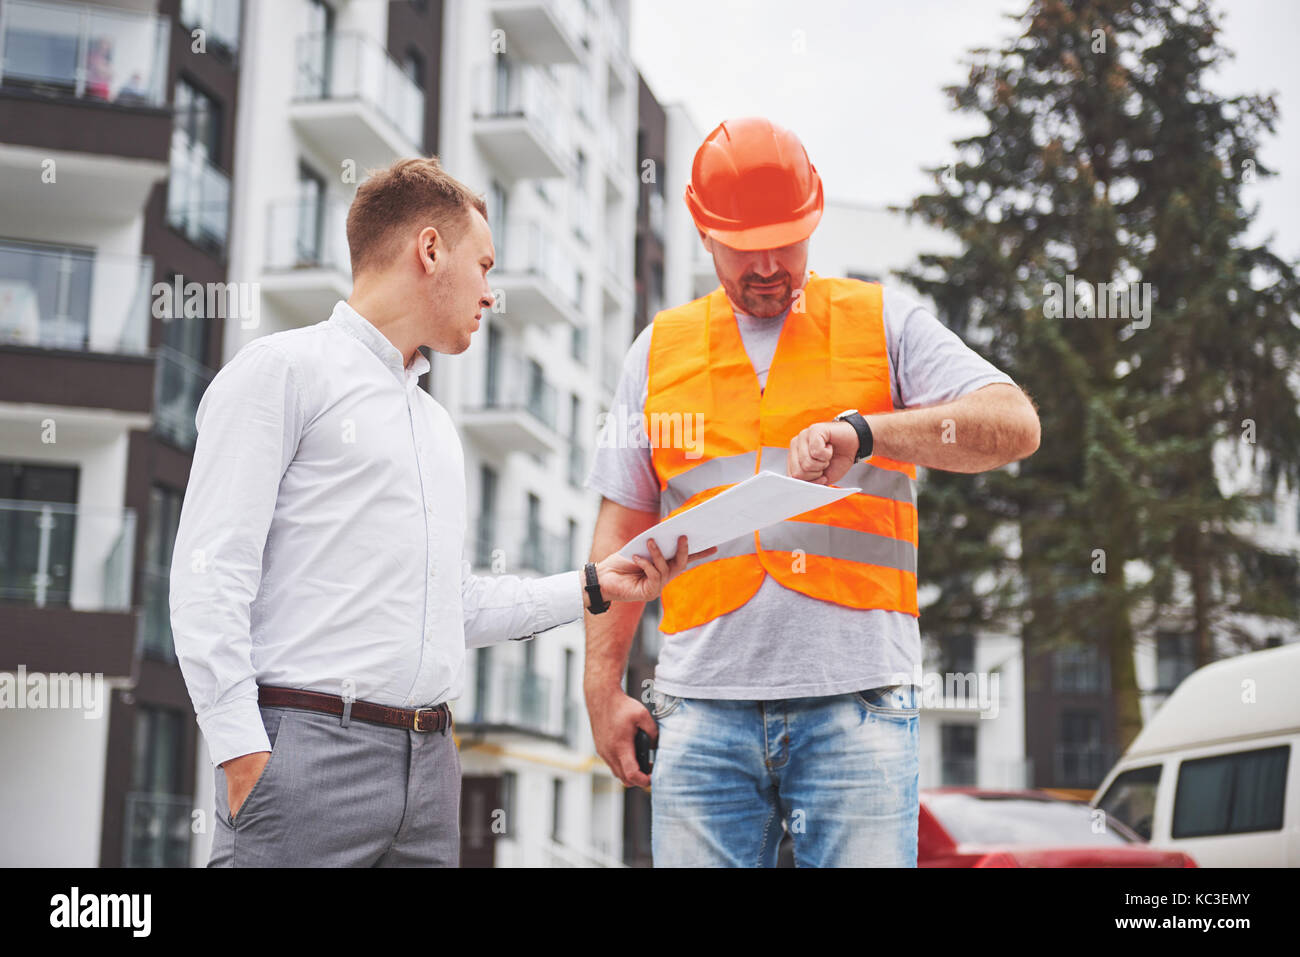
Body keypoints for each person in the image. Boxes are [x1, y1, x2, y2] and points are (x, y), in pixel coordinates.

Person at [169, 157, 709, 867]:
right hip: (301, 757)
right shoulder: (280, 372)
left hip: (430, 772)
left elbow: (452, 605)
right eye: (484, 265)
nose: (491, 292)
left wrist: (595, 584)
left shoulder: (434, 425)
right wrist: (244, 751)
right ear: (430, 250)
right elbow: (209, 577)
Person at [583, 117, 1041, 867]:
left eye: (785, 241)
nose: (766, 265)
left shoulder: (881, 321)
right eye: (743, 245)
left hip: (856, 706)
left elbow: (1013, 424)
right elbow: (619, 529)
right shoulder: (654, 351)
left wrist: (870, 434)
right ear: (703, 232)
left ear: (815, 220)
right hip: (700, 712)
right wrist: (601, 688)